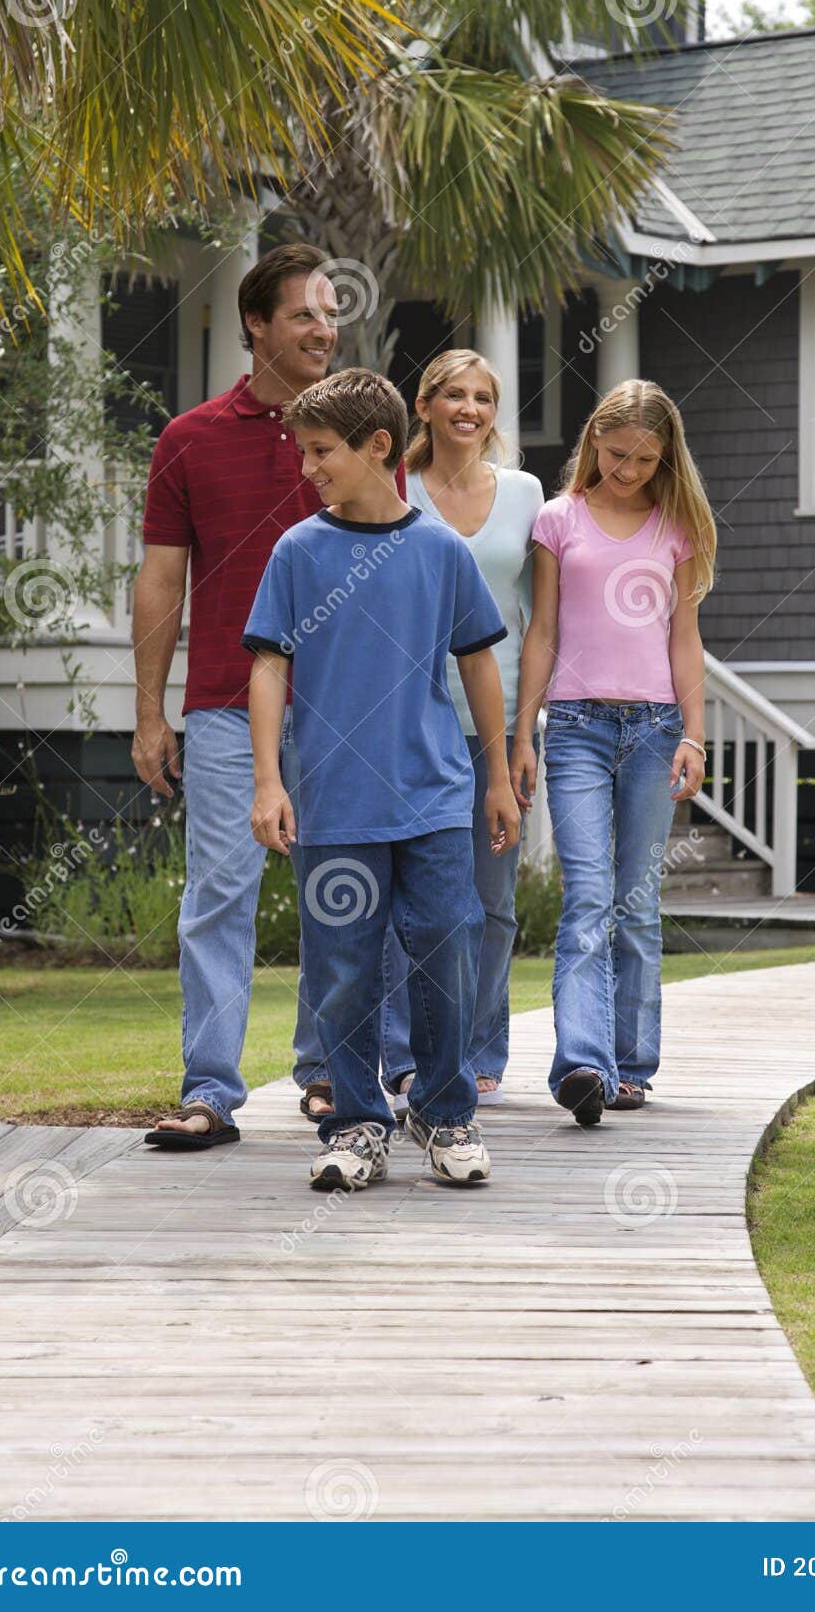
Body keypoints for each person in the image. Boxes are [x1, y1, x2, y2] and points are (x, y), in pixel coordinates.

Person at [136, 243, 405, 1148]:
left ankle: (328, 1074)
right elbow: (161, 580)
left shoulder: (367, 436)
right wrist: (148, 711)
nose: (324, 329)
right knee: (219, 894)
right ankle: (211, 1090)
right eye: (303, 315)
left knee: (344, 893)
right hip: (220, 702)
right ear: (256, 324)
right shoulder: (190, 439)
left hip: (347, 708)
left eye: (332, 314)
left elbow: (392, 568)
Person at [243, 368, 521, 1191]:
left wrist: (497, 777)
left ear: (376, 447)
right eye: (304, 451)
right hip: (334, 806)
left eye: (321, 451)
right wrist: (269, 781)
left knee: (447, 948)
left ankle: (442, 1111)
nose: (308, 468)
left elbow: (480, 664)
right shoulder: (299, 550)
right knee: (343, 966)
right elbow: (266, 667)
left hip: (434, 797)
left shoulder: (439, 551)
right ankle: (357, 1123)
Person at [510, 379, 716, 1127]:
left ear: (666, 459)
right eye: (618, 453)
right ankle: (582, 1064)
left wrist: (693, 733)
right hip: (573, 729)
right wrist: (521, 735)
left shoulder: (676, 528)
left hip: (656, 728)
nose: (629, 470)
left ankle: (630, 1067)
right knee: (588, 896)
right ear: (595, 438)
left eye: (645, 459)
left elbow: (683, 641)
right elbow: (541, 633)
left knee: (635, 904)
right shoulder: (557, 520)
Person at [378, 349, 544, 1112]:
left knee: (490, 898)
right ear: (424, 405)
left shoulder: (524, 493)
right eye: (452, 394)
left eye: (482, 397)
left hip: (496, 722)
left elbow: (538, 622)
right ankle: (403, 1056)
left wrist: (522, 738)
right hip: (406, 722)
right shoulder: (391, 488)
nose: (468, 408)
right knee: (403, 902)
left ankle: (480, 1050)